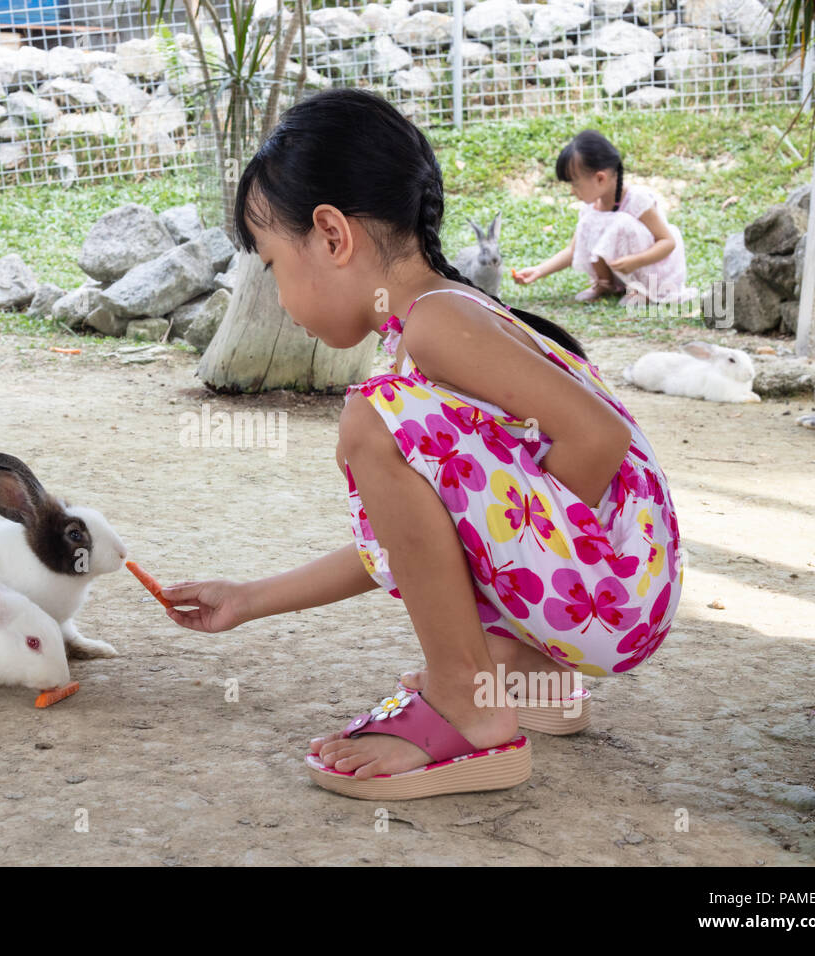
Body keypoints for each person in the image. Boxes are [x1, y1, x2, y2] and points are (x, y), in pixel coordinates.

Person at [159, 90, 683, 801]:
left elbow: (599, 437)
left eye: (274, 264)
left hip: (616, 588)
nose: (279, 295)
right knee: (384, 430)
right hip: (619, 593)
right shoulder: (439, 324)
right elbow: (425, 542)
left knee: (371, 423)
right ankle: (530, 678)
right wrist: (250, 599)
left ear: (332, 235)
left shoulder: (436, 327)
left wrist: (530, 572)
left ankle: (471, 703)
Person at [513, 129, 692, 308]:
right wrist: (538, 271)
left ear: (600, 178)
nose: (572, 192)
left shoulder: (637, 200)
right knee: (589, 222)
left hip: (654, 272)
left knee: (621, 223)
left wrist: (636, 261)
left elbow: (667, 242)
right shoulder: (590, 208)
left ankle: (643, 290)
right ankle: (606, 285)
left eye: (575, 185)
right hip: (624, 270)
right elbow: (572, 251)